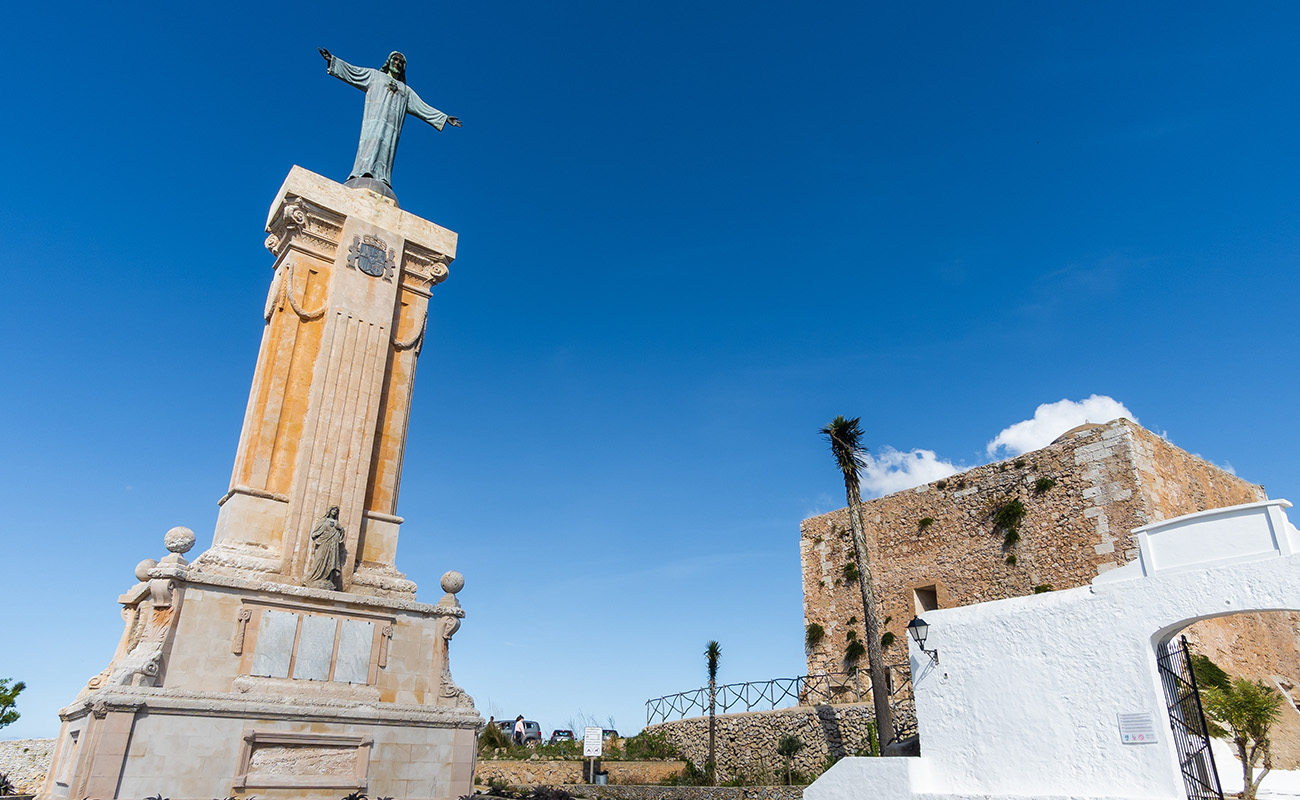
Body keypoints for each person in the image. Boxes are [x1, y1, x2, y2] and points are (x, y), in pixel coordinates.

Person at [319, 48, 462, 191]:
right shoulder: (375, 76)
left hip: (392, 127)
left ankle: (382, 177)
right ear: (389, 61)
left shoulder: (405, 91)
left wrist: (444, 118)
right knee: (370, 141)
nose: (397, 63)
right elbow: (353, 72)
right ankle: (361, 172)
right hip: (374, 119)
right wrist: (333, 61)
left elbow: (423, 108)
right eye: (395, 59)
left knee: (387, 149)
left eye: (401, 62)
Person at [306, 506, 346, 589]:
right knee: (320, 559)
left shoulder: (336, 523)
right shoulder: (324, 521)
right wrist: (319, 537)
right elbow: (315, 533)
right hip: (324, 543)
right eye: (333, 510)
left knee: (331, 561)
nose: (334, 512)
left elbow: (341, 533)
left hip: (333, 545)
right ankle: (315, 577)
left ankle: (328, 579)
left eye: (336, 511)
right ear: (330, 511)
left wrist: (340, 530)